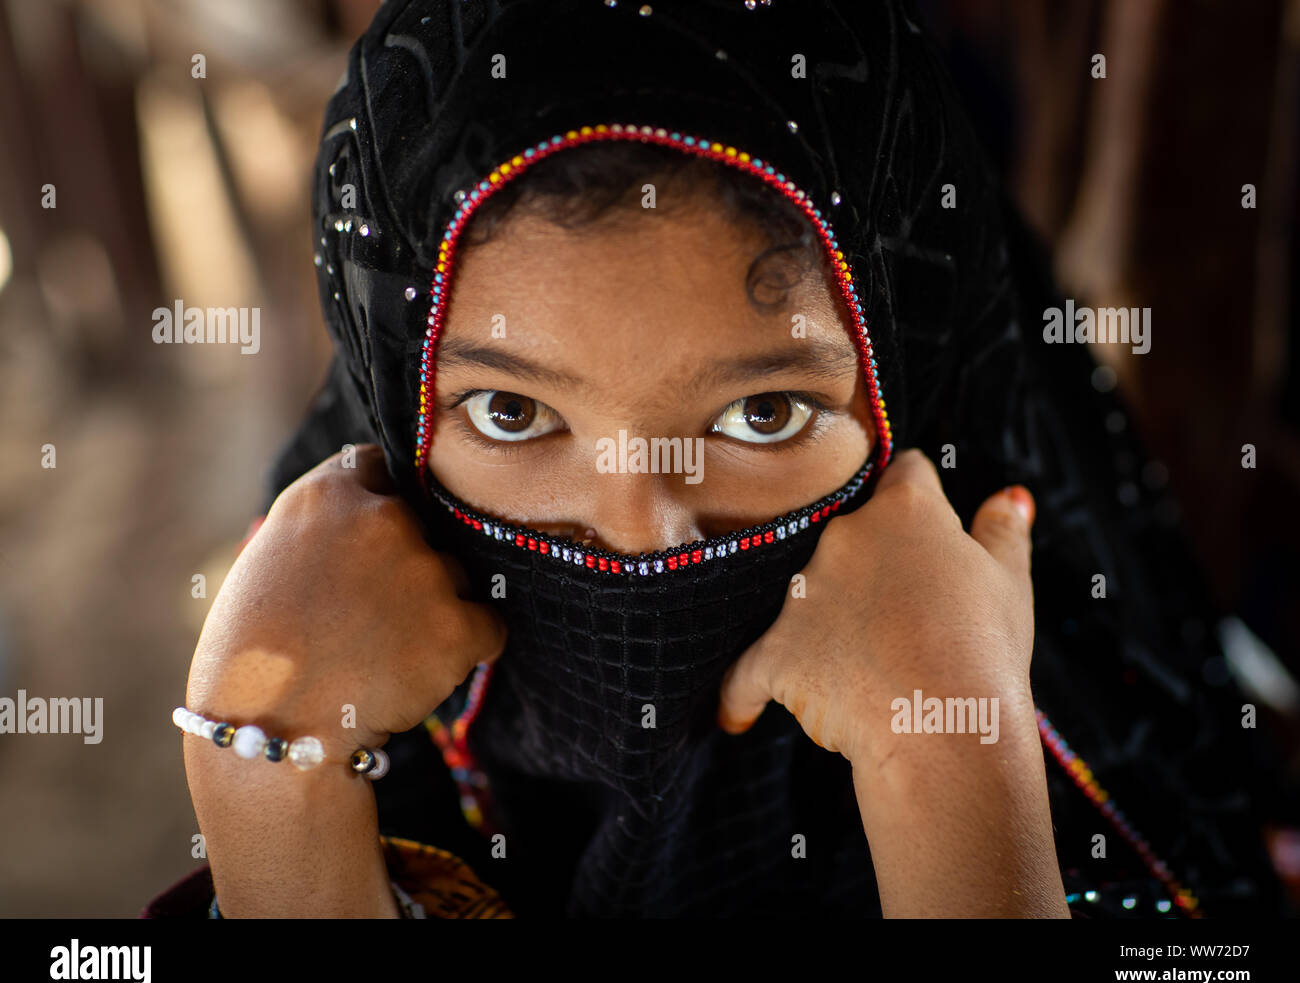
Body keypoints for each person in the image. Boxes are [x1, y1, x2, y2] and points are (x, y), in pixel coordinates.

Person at [143, 0, 1289, 918]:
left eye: (762, 416)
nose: (642, 530)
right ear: (390, 405)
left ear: (915, 392)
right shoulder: (341, 720)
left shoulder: (1068, 764)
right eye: (508, 412)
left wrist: (948, 765)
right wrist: (267, 783)